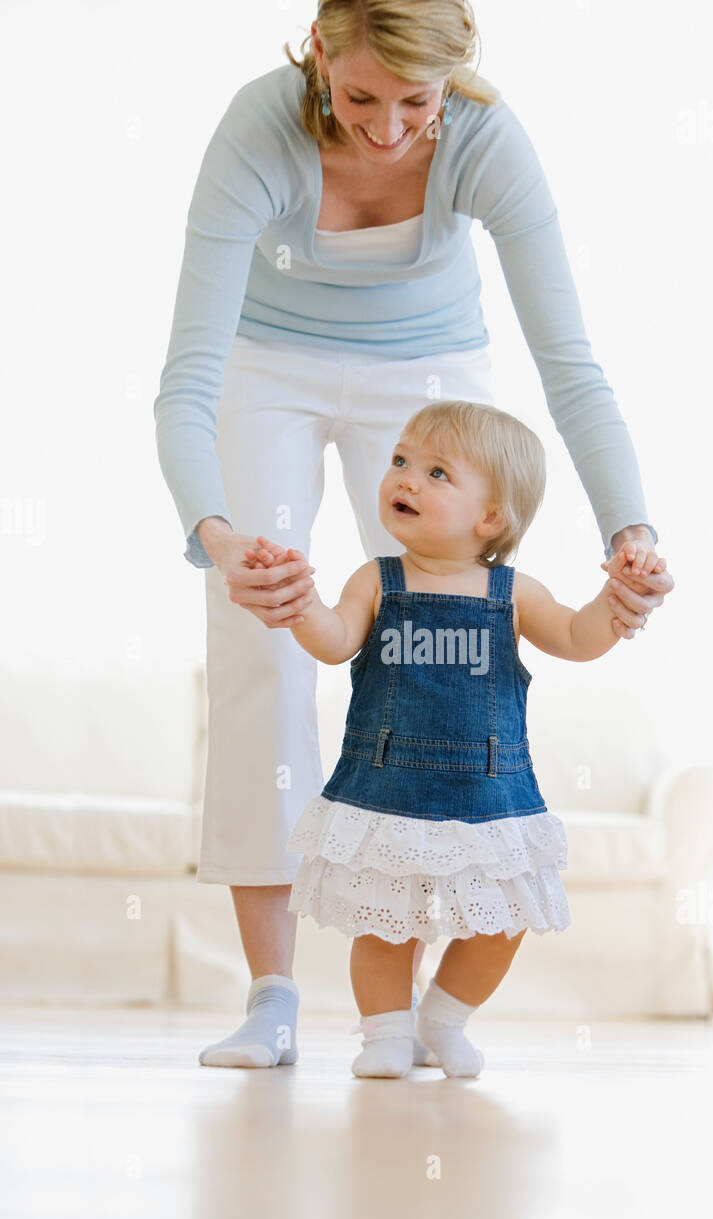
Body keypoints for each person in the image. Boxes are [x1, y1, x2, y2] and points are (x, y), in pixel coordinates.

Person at [152, 0, 673, 1068]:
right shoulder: (259, 129)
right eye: (358, 99)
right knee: (264, 650)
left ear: (455, 81)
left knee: (453, 630)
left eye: (416, 104)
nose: (387, 131)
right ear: (317, 56)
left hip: (427, 369)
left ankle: (428, 997)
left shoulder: (485, 138)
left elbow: (568, 361)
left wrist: (632, 531)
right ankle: (273, 994)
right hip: (271, 365)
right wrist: (214, 533)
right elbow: (190, 379)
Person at [241, 398, 667, 1078]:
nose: (405, 478)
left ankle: (441, 1019)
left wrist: (614, 604)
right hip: (388, 787)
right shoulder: (373, 581)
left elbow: (577, 638)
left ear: (490, 517)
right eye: (401, 461)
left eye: (436, 472)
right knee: (386, 924)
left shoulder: (515, 592)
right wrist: (298, 603)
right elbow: (332, 641)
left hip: (487, 793)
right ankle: (382, 1035)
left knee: (501, 925)